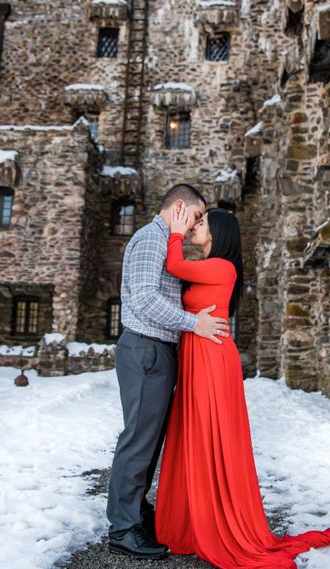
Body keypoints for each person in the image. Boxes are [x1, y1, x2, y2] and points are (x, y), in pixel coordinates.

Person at [156, 204, 330, 568]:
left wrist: (175, 232)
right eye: (195, 222)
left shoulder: (223, 266)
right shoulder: (208, 266)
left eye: (202, 223)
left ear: (219, 233)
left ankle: (217, 521)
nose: (195, 226)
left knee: (211, 435)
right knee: (195, 435)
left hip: (212, 359)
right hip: (197, 355)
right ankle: (194, 522)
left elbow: (174, 265)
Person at [107, 184, 231, 559]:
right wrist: (194, 324)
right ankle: (123, 529)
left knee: (150, 440)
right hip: (145, 348)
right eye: (196, 216)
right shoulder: (151, 239)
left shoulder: (166, 241)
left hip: (157, 350)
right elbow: (146, 298)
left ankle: (136, 512)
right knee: (138, 439)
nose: (195, 226)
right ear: (179, 207)